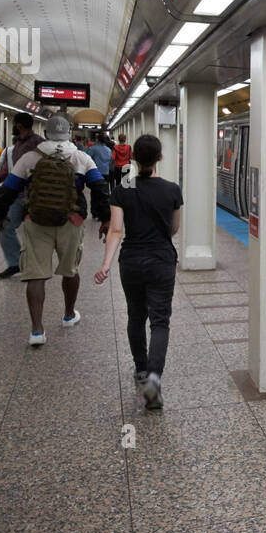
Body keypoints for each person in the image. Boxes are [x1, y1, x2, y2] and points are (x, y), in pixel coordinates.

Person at [0, 113, 109, 346]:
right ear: (69, 133)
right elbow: (99, 189)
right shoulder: (81, 157)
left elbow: (9, 189)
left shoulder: (30, 157)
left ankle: (37, 330)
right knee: (70, 270)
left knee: (36, 275)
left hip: (36, 221)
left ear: (46, 133)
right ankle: (68, 314)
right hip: (72, 221)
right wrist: (105, 219)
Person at [95, 134, 183, 410]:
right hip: (161, 261)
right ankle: (153, 381)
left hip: (131, 261)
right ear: (160, 157)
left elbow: (116, 230)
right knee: (160, 321)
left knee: (136, 315)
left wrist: (106, 264)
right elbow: (174, 229)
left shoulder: (122, 189)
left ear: (132, 158)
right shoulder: (172, 190)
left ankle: (141, 369)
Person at [0, 113, 44, 279]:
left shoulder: (38, 142)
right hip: (16, 194)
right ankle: (16, 263)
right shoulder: (18, 144)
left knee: (34, 233)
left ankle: (34, 267)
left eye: (14, 124)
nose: (13, 127)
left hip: (34, 197)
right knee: (5, 228)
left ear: (20, 125)